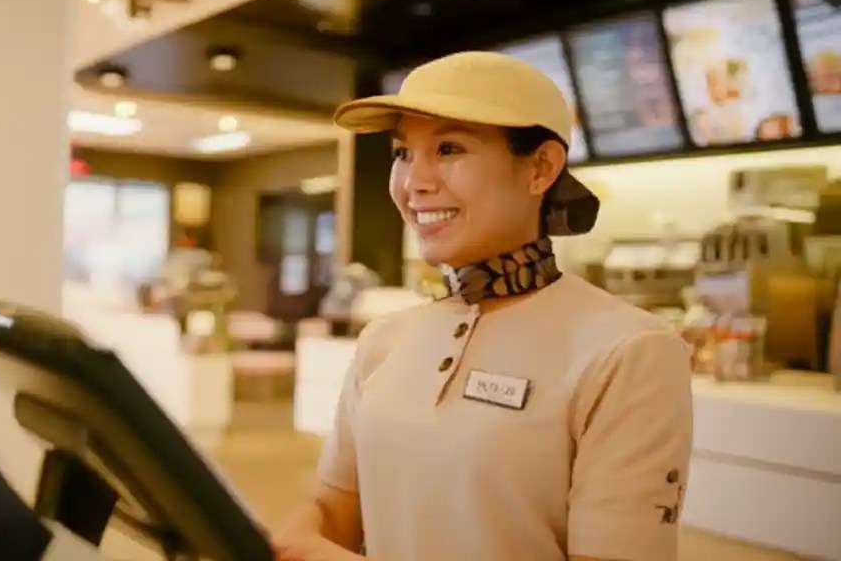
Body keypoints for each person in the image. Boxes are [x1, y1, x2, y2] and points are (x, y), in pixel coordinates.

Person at [275, 52, 694, 561]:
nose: (414, 183)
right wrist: (292, 540)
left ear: (540, 168)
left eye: (449, 148)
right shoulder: (383, 340)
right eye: (402, 153)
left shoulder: (631, 352)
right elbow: (335, 506)